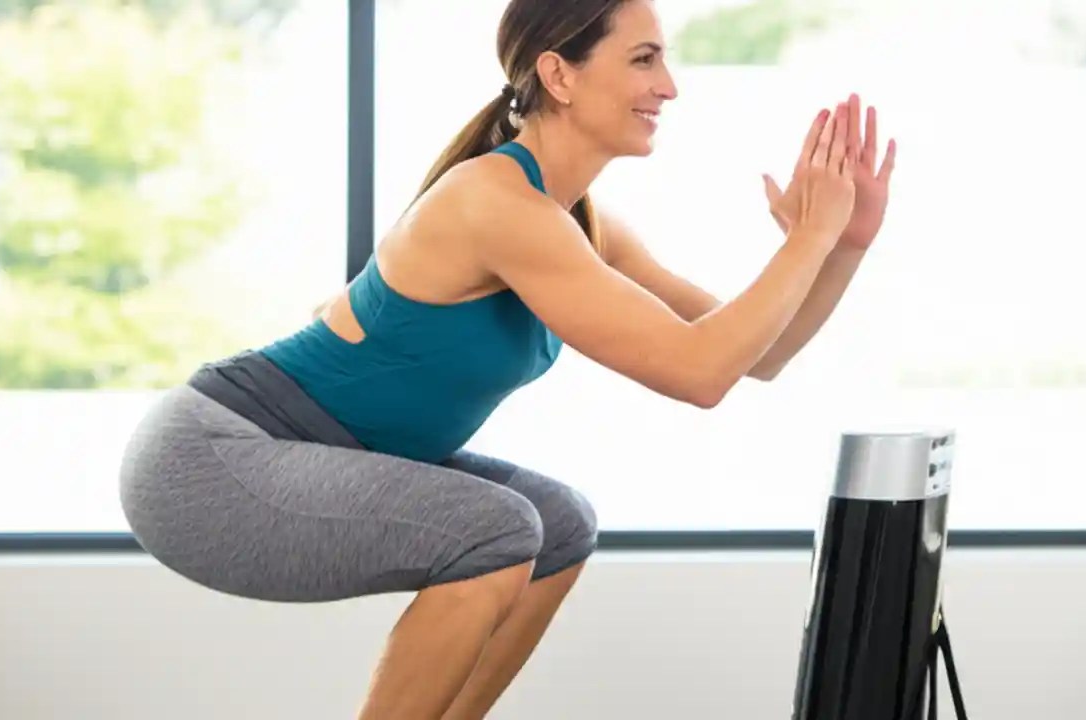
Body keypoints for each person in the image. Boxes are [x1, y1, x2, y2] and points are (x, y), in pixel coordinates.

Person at [118, 0, 896, 717]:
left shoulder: (580, 224)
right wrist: (808, 238)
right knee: (495, 532)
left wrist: (843, 244)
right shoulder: (495, 202)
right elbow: (699, 374)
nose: (669, 86)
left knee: (558, 527)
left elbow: (756, 354)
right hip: (211, 464)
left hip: (296, 449)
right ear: (559, 75)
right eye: (644, 59)